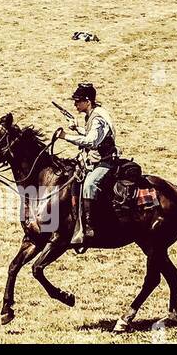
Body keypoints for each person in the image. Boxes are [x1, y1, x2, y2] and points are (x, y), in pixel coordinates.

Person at [63, 82, 117, 247]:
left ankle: (89, 226)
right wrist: (77, 128)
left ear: (88, 101)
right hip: (96, 160)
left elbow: (92, 141)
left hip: (105, 161)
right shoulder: (92, 115)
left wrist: (66, 136)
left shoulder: (98, 118)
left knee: (89, 185)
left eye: (78, 101)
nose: (75, 104)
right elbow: (91, 135)